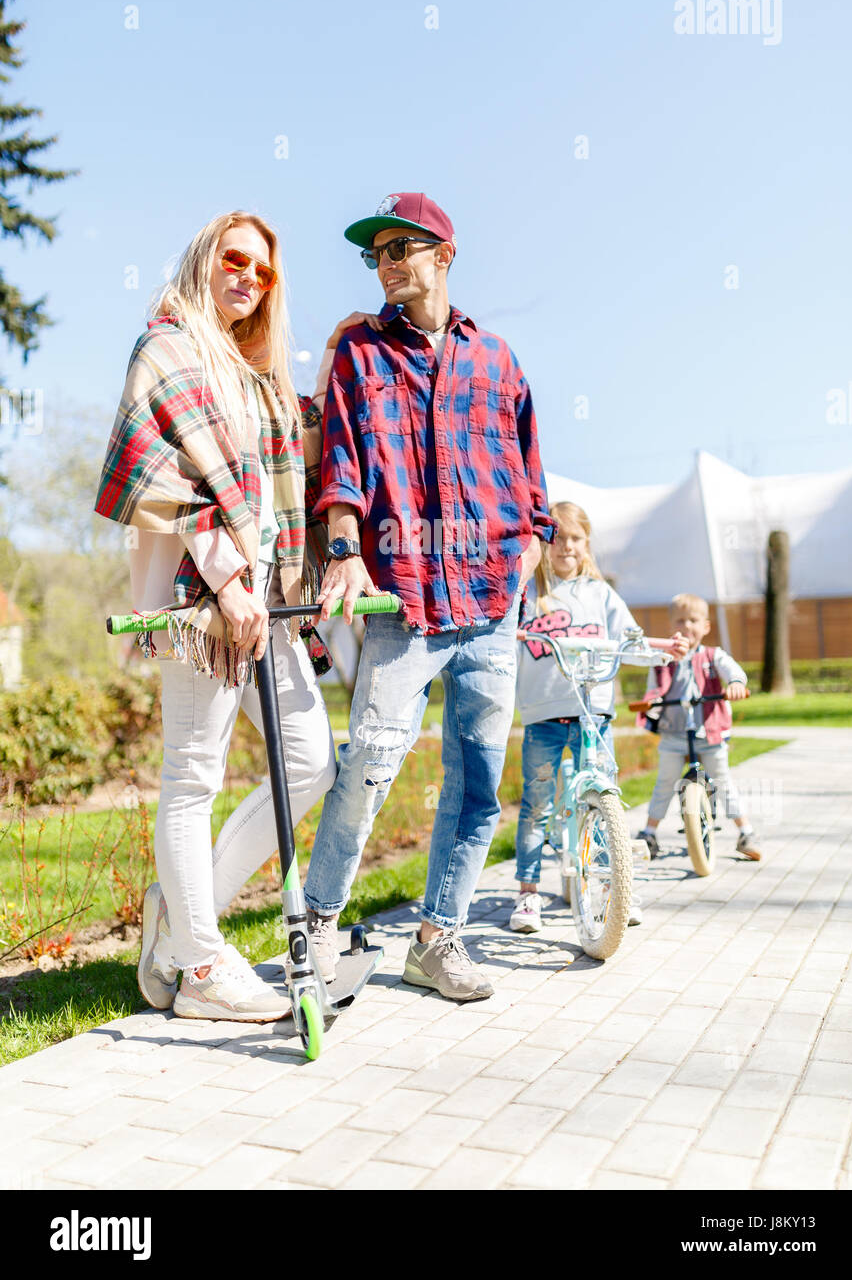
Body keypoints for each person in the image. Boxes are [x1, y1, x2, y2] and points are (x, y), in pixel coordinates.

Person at [94, 210, 359, 1021]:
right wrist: (226, 575)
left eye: (265, 271)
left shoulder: (255, 375)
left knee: (313, 761)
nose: (249, 277)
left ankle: (178, 920)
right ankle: (204, 971)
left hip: (270, 604)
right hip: (198, 605)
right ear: (206, 259)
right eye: (235, 259)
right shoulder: (166, 349)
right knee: (193, 778)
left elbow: (299, 468)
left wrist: (347, 353)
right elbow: (165, 484)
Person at [303, 191, 557, 1001]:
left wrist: (525, 558)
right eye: (375, 254)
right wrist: (344, 551)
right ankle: (316, 925)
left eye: (399, 249)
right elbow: (340, 468)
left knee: (478, 783)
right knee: (369, 767)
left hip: (490, 603)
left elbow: (532, 483)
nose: (386, 264)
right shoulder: (360, 357)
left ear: (443, 255)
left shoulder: (499, 360)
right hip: (404, 604)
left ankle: (437, 938)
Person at [510, 502, 688, 933]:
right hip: (545, 714)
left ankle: (616, 887)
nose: (566, 546)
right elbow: (501, 634)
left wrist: (664, 649)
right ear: (543, 542)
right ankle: (528, 895)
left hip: (594, 713)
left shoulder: (600, 593)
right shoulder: (529, 592)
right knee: (537, 806)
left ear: (586, 543)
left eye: (575, 538)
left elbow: (631, 641)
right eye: (557, 537)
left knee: (606, 795)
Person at [635, 592, 760, 860]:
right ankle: (649, 833)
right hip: (673, 732)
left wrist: (736, 683)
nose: (687, 626)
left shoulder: (714, 656)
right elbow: (653, 690)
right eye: (680, 621)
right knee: (665, 781)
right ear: (671, 627)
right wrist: (650, 703)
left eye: (693, 620)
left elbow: (733, 671)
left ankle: (745, 832)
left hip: (709, 732)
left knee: (723, 781)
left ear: (705, 627)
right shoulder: (663, 659)